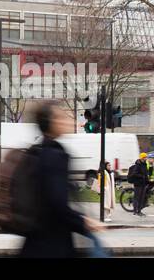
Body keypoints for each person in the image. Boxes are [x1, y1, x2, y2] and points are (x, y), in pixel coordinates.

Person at [18, 101, 102, 257]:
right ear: (51, 123)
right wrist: (84, 222)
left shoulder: (37, 151)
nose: (67, 120)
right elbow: (58, 204)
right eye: (61, 117)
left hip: (35, 241)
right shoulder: (55, 156)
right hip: (52, 245)